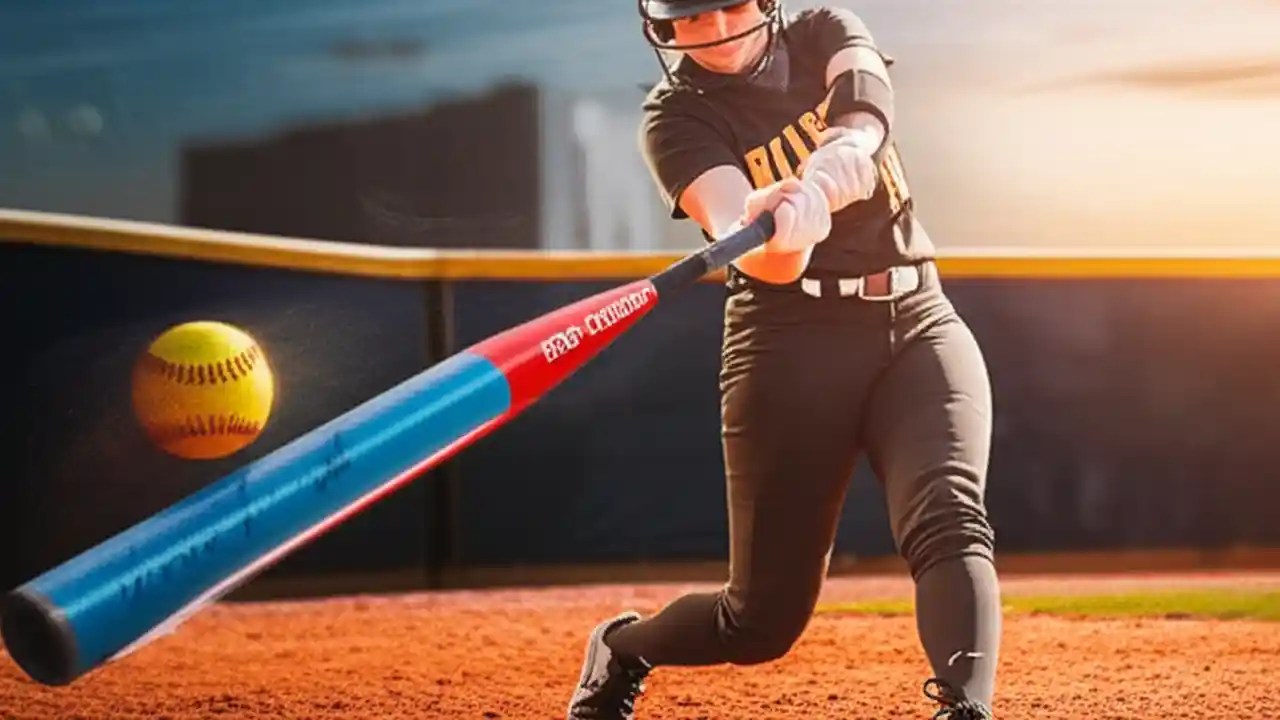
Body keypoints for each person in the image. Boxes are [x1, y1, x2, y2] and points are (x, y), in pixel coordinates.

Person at [566, 1, 1002, 717]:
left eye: (729, 6)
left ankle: (967, 708)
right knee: (760, 621)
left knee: (949, 515)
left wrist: (838, 160)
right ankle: (626, 646)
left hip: (917, 317)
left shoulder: (824, 29)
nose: (714, 30)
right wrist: (778, 231)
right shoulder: (674, 118)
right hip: (787, 342)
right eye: (691, 18)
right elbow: (761, 256)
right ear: (664, 28)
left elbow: (865, 112)